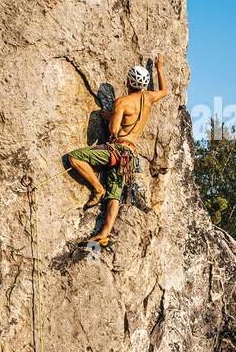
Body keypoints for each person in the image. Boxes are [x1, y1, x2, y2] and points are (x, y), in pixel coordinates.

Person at [65, 54, 168, 246]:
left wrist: (110, 115)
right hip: (130, 155)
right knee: (115, 194)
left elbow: (114, 130)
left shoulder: (122, 102)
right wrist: (159, 68)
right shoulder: (150, 98)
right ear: (144, 85)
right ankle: (104, 233)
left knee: (75, 158)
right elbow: (163, 91)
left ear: (128, 81)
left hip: (116, 149)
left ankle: (97, 189)